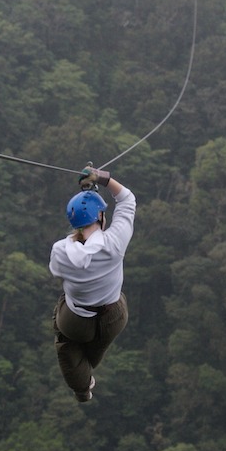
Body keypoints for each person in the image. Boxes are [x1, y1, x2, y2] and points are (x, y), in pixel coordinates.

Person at [48, 166, 136, 402]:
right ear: (100, 216)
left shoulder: (61, 252)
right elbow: (127, 199)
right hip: (113, 317)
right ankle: (86, 369)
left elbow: (57, 271)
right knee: (95, 346)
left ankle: (82, 388)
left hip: (76, 320)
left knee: (65, 339)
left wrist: (75, 240)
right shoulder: (115, 243)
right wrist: (104, 179)